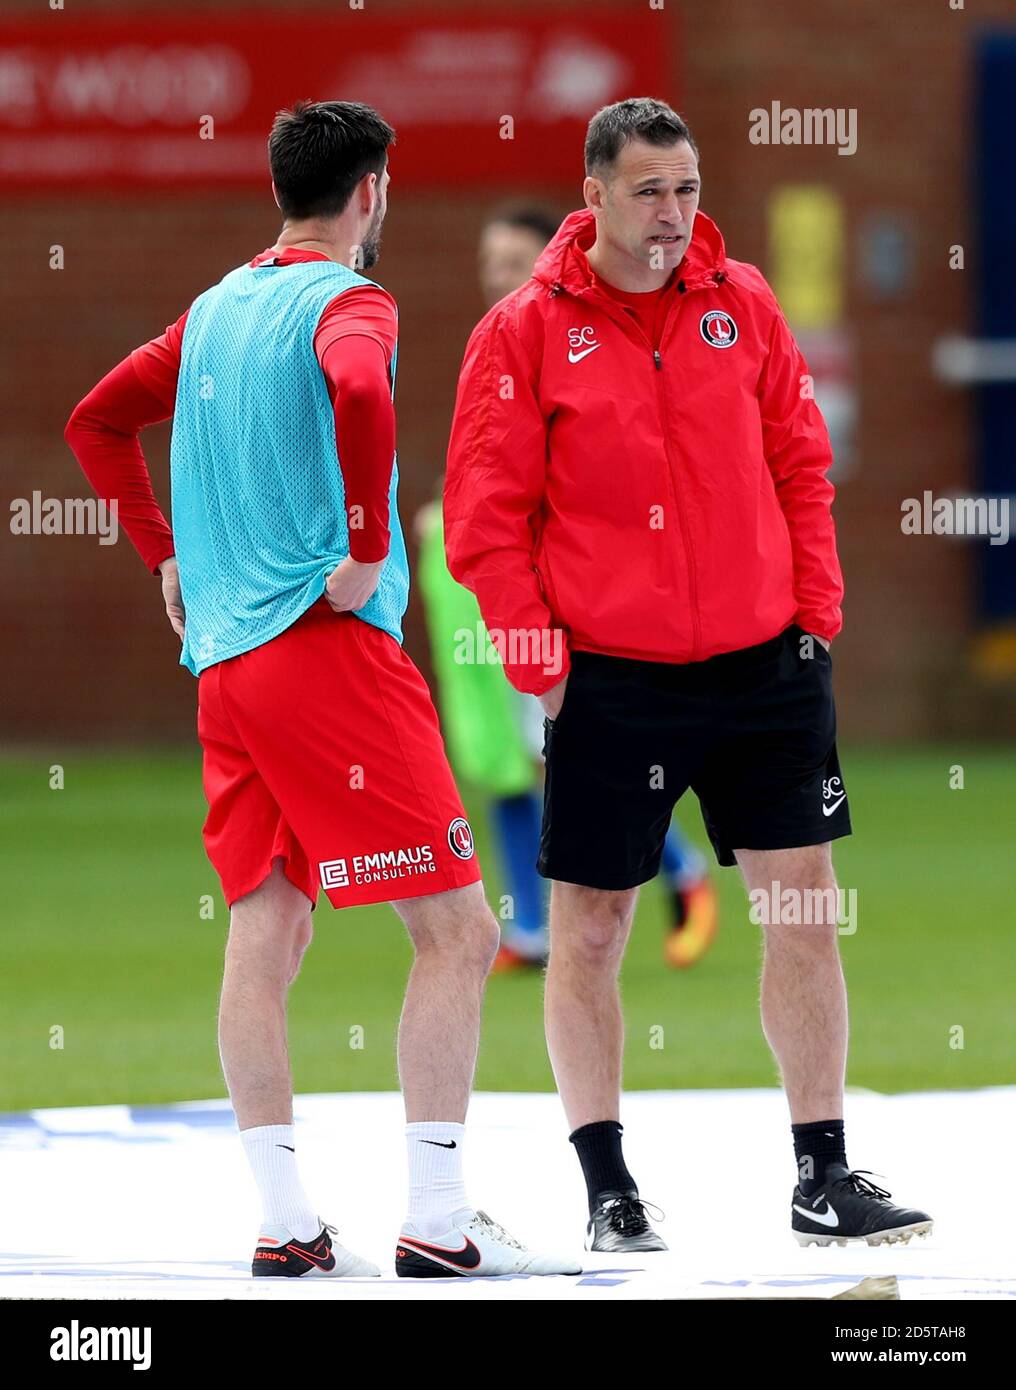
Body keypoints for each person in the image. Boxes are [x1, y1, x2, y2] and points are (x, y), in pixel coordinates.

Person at [65, 99, 578, 1281]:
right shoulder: (350, 299)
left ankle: (285, 1220)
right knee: (455, 932)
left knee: (266, 930)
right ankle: (439, 1220)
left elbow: (96, 419)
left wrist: (163, 554)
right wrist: (358, 543)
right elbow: (359, 390)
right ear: (372, 190)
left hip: (226, 672)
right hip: (324, 651)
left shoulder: (211, 309)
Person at [444, 97, 933, 1253]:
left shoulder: (742, 302)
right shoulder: (522, 330)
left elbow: (799, 465)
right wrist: (540, 664)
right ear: (595, 195)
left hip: (764, 668)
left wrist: (814, 621)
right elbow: (482, 519)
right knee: (593, 932)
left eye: (688, 188)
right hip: (612, 678)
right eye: (649, 190)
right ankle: (607, 1188)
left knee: (803, 915)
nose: (672, 214)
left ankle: (823, 1175)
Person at [419, 205, 719, 972]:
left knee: (562, 755)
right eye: (490, 262)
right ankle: (529, 924)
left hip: (558, 594)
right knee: (500, 756)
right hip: (495, 585)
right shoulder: (495, 346)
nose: (499, 277)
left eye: (514, 260)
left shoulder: (580, 346)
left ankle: (680, 869)